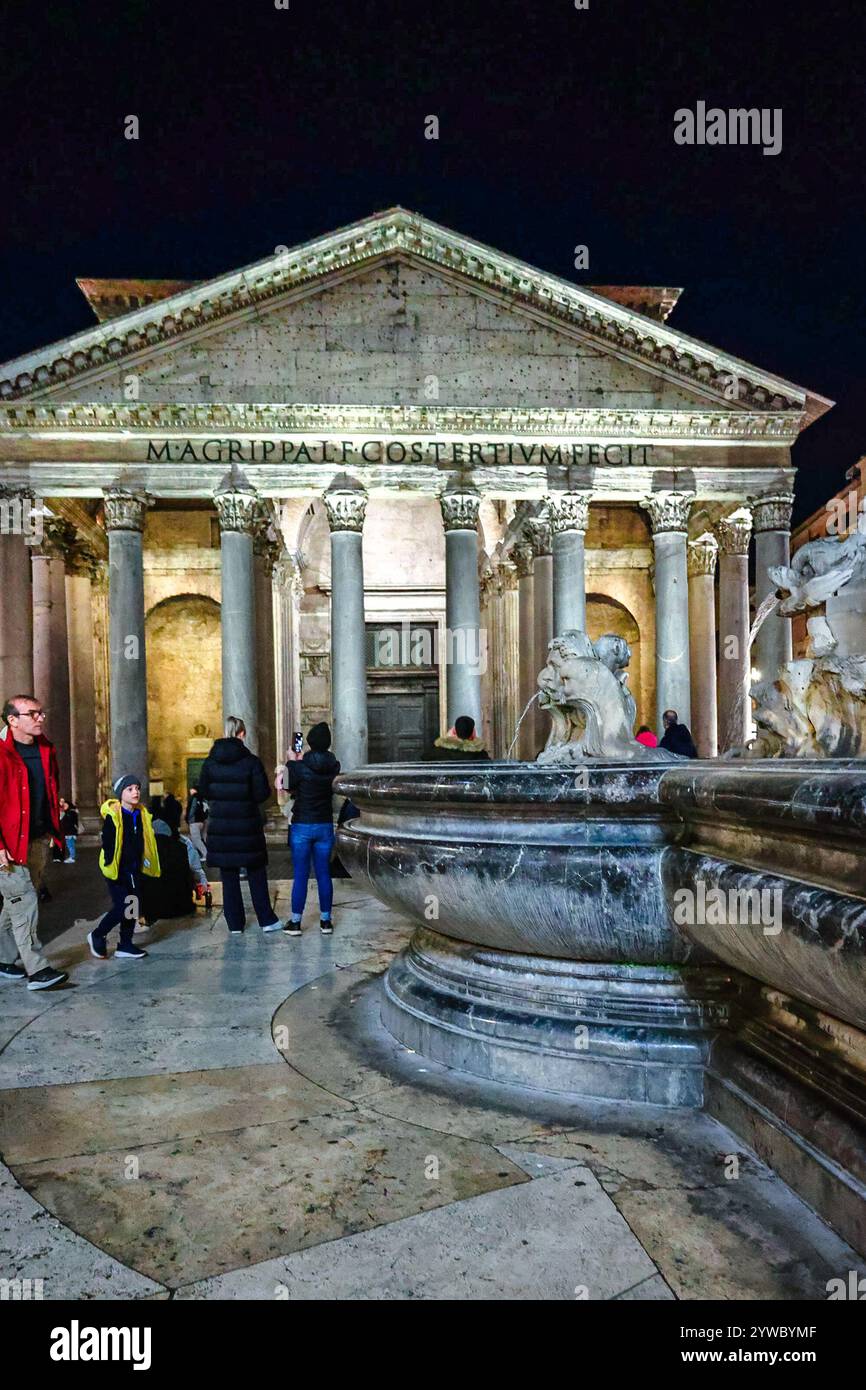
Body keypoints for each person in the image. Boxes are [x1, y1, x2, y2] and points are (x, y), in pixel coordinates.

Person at [0, 695, 68, 990]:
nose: (40, 718)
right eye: (33, 714)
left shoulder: (46, 749)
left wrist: (55, 817)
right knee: (25, 901)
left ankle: (2, 958)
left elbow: (52, 785)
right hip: (8, 844)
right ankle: (37, 969)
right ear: (12, 720)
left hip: (38, 838)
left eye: (41, 713)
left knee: (14, 903)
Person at [197, 716, 281, 935]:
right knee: (255, 871)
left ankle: (235, 924)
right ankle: (266, 919)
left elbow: (203, 790)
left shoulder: (211, 762)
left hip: (221, 826)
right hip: (247, 825)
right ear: (242, 734)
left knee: (229, 874)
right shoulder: (251, 762)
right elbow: (262, 793)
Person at [276, 722, 341, 936]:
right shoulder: (334, 766)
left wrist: (291, 761)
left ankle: (295, 922)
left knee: (301, 875)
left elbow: (285, 786)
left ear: (309, 742)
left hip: (302, 824)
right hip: (324, 825)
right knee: (323, 873)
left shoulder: (297, 766)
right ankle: (325, 922)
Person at [88, 775, 160, 961]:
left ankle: (125, 944)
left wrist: (146, 861)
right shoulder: (114, 815)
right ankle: (97, 934)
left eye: (137, 788)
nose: (135, 792)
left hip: (134, 868)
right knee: (122, 906)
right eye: (130, 789)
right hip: (117, 869)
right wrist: (113, 865)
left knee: (133, 907)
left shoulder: (141, 814)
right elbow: (108, 843)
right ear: (121, 794)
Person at [140, 815, 194, 924]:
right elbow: (187, 876)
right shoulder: (181, 847)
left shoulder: (145, 850)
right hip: (181, 908)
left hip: (154, 910)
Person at [427, 714, 491, 762]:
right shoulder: (480, 754)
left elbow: (425, 758)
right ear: (472, 734)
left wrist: (446, 739)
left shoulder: (438, 752)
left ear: (454, 731)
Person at [185, 785, 208, 862]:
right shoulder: (202, 799)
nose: (190, 791)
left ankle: (205, 854)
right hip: (201, 821)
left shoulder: (194, 798)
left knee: (196, 839)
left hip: (194, 821)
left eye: (191, 790)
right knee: (195, 839)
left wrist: (188, 818)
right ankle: (195, 855)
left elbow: (192, 809)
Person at [58, 797, 79, 862]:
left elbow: (69, 822)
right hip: (68, 832)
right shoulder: (68, 812)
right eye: (64, 805)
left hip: (70, 832)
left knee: (70, 845)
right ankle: (71, 857)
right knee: (70, 845)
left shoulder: (71, 813)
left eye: (66, 805)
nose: (64, 806)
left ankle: (72, 858)